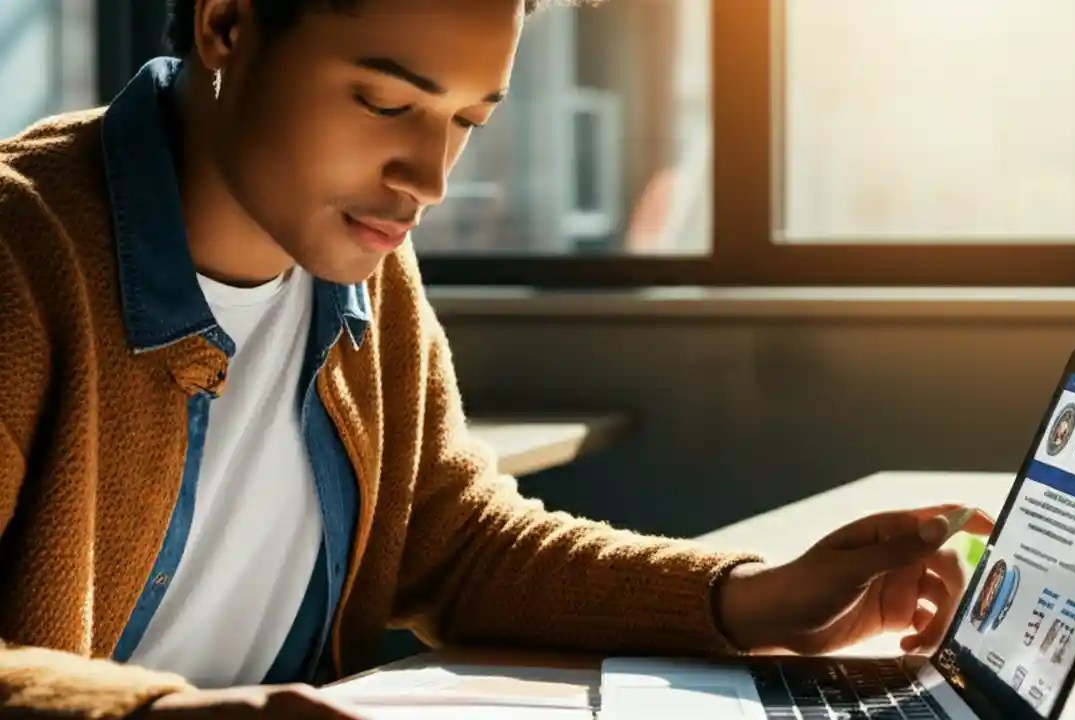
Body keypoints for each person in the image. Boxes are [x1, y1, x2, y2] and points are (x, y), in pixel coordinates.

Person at [0, 1, 994, 717]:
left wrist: (746, 599)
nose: (428, 177)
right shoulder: (21, 256)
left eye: (468, 121)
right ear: (228, 26)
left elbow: (453, 544)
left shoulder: (357, 264)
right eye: (387, 102)